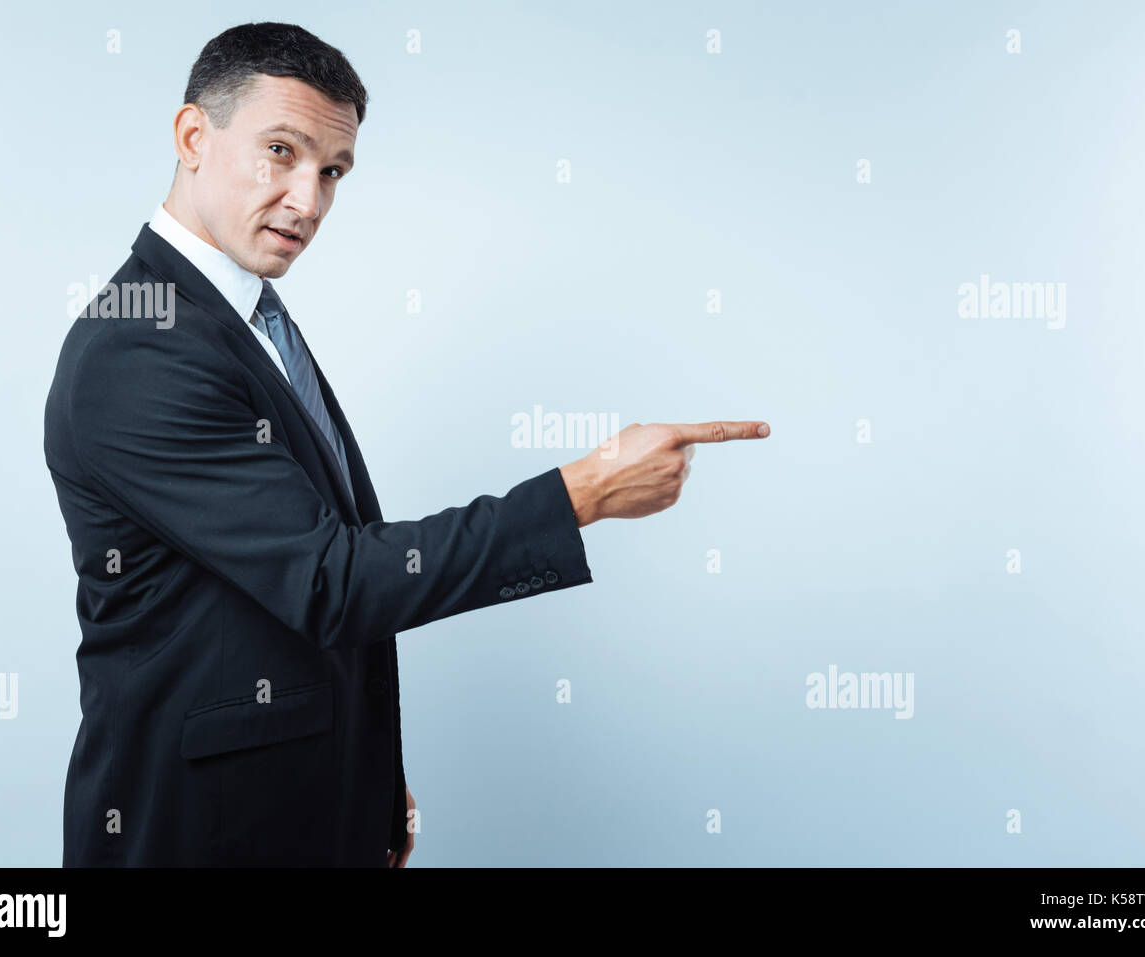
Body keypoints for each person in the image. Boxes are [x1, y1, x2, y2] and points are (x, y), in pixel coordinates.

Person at [43, 21, 769, 868]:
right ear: (193, 136)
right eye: (281, 151)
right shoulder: (140, 347)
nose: (308, 201)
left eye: (332, 171)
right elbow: (331, 579)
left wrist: (366, 778)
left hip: (303, 805)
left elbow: (284, 592)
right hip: (199, 832)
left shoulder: (238, 313)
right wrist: (585, 492)